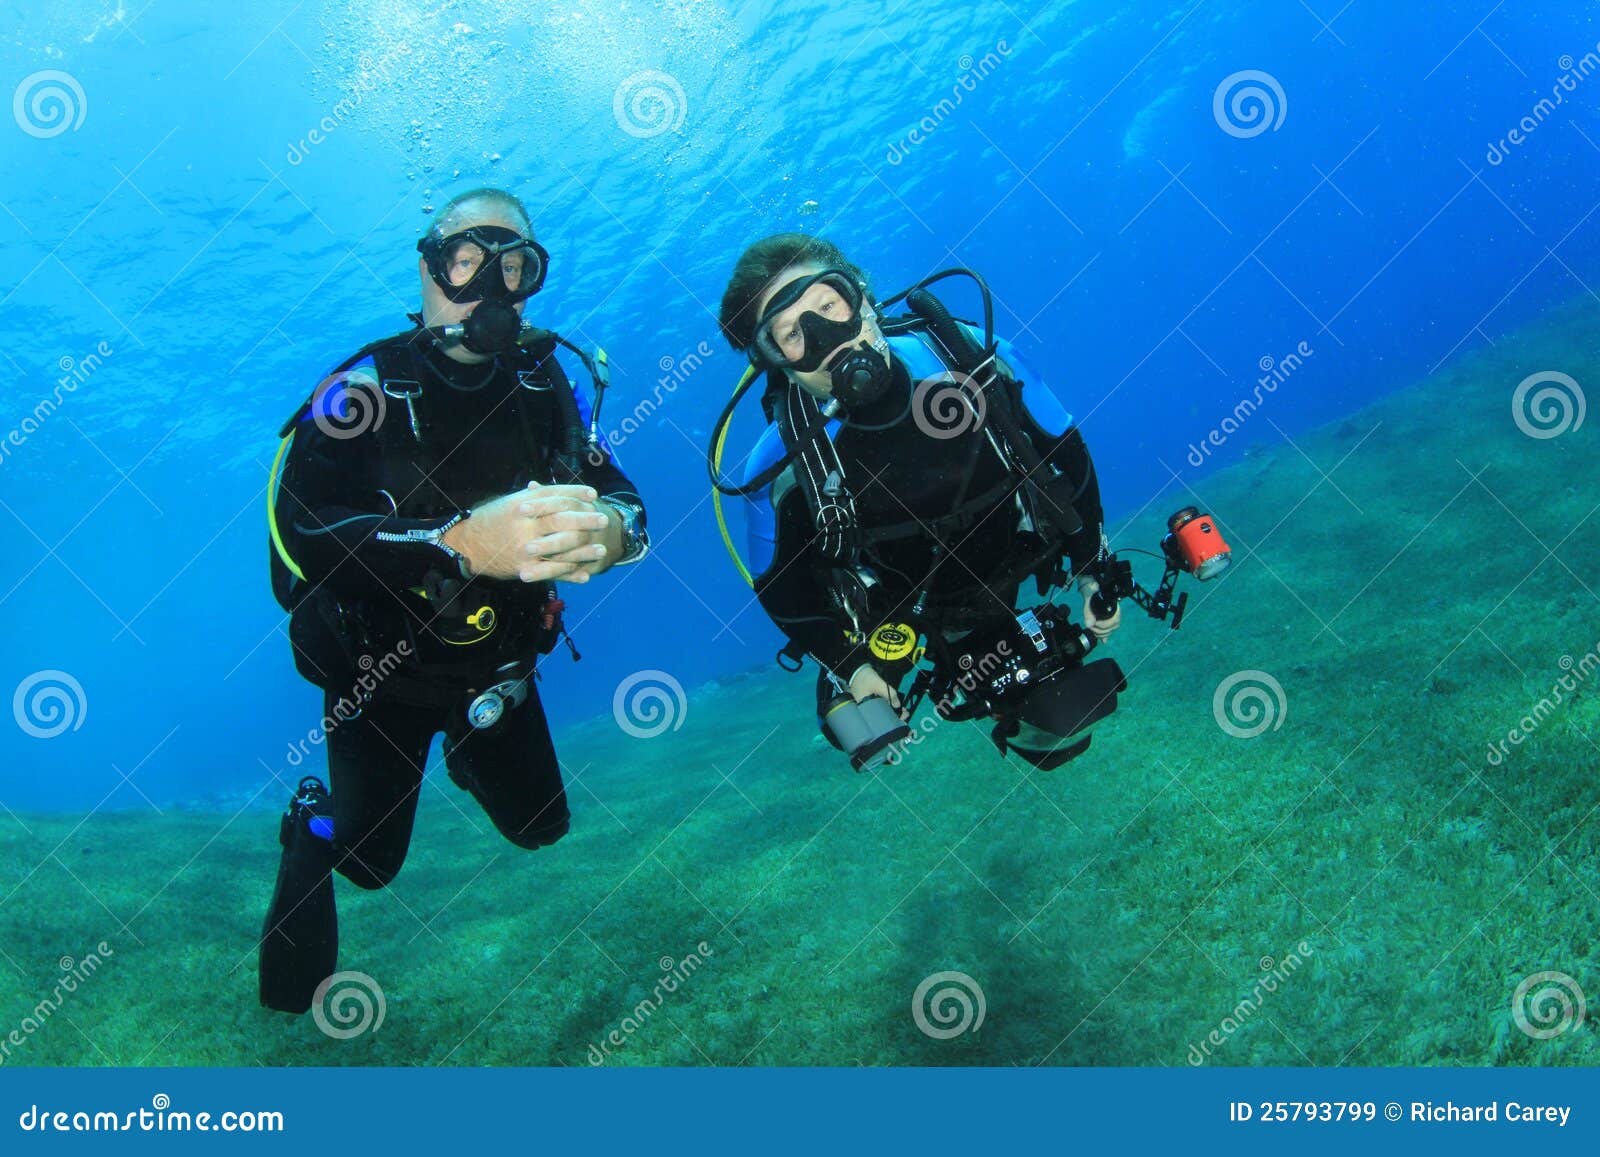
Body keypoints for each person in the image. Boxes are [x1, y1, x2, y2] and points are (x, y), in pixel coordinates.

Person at [259, 187, 649, 1014]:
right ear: (429, 272)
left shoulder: (548, 387)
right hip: (378, 682)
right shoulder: (363, 386)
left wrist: (615, 532)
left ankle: (469, 753)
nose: (490, 291)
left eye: (514, 266)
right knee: (368, 866)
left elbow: (622, 494)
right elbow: (295, 533)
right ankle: (309, 818)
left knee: (542, 828)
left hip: (495, 670)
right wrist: (458, 542)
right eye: (465, 262)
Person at [711, 233, 1124, 772]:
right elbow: (781, 588)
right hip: (902, 617)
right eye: (792, 333)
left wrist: (1091, 563)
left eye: (828, 304)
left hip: (1016, 559)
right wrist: (851, 666)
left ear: (864, 298)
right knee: (857, 732)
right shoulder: (779, 468)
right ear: (775, 363)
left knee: (1065, 711)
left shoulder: (969, 357)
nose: (825, 338)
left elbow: (1066, 452)